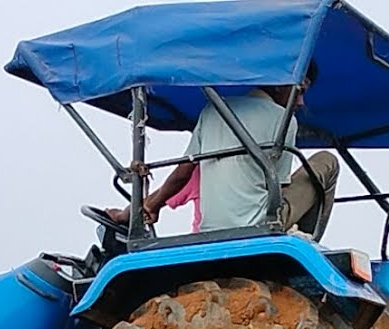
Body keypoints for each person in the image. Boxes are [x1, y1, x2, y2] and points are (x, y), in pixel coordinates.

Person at [108, 61, 338, 238]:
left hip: (210, 228)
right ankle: (307, 237)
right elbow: (280, 185)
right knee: (327, 161)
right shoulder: (284, 118)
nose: (300, 103)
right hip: (260, 223)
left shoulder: (212, 111)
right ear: (280, 84)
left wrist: (142, 208)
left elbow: (181, 176)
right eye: (299, 92)